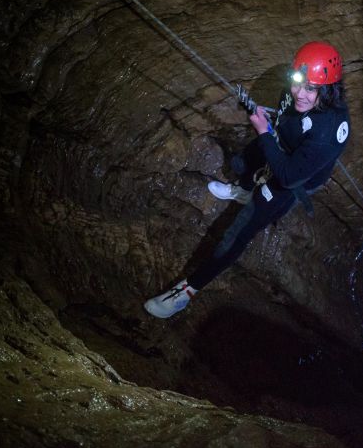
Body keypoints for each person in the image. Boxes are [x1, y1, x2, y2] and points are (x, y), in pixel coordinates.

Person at [144, 41, 351, 319]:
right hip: (281, 146)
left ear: (327, 91)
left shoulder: (330, 131)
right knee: (241, 163)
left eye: (310, 89)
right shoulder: (296, 94)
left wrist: (264, 132)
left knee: (238, 232)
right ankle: (242, 191)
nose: (299, 93)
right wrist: (267, 118)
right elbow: (288, 116)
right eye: (296, 83)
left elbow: (288, 176)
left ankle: (186, 292)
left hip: (293, 178)